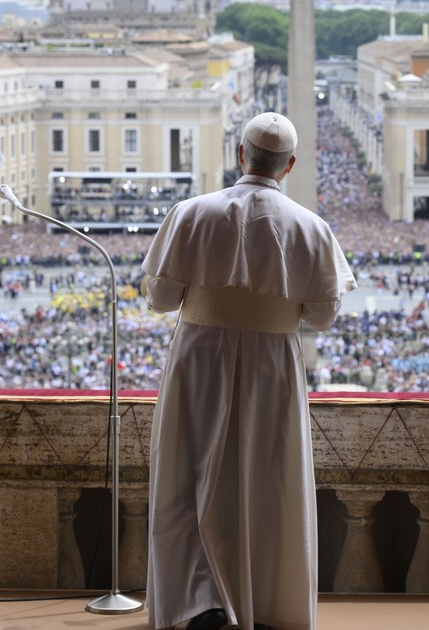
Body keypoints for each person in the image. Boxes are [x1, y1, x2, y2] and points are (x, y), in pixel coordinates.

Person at [143, 112, 356, 630]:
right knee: (269, 478)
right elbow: (323, 316)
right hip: (272, 367)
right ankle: (266, 602)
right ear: (290, 166)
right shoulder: (312, 227)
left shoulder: (189, 213)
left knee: (186, 475)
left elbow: (160, 298)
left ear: (240, 154)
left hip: (198, 360)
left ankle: (194, 603)